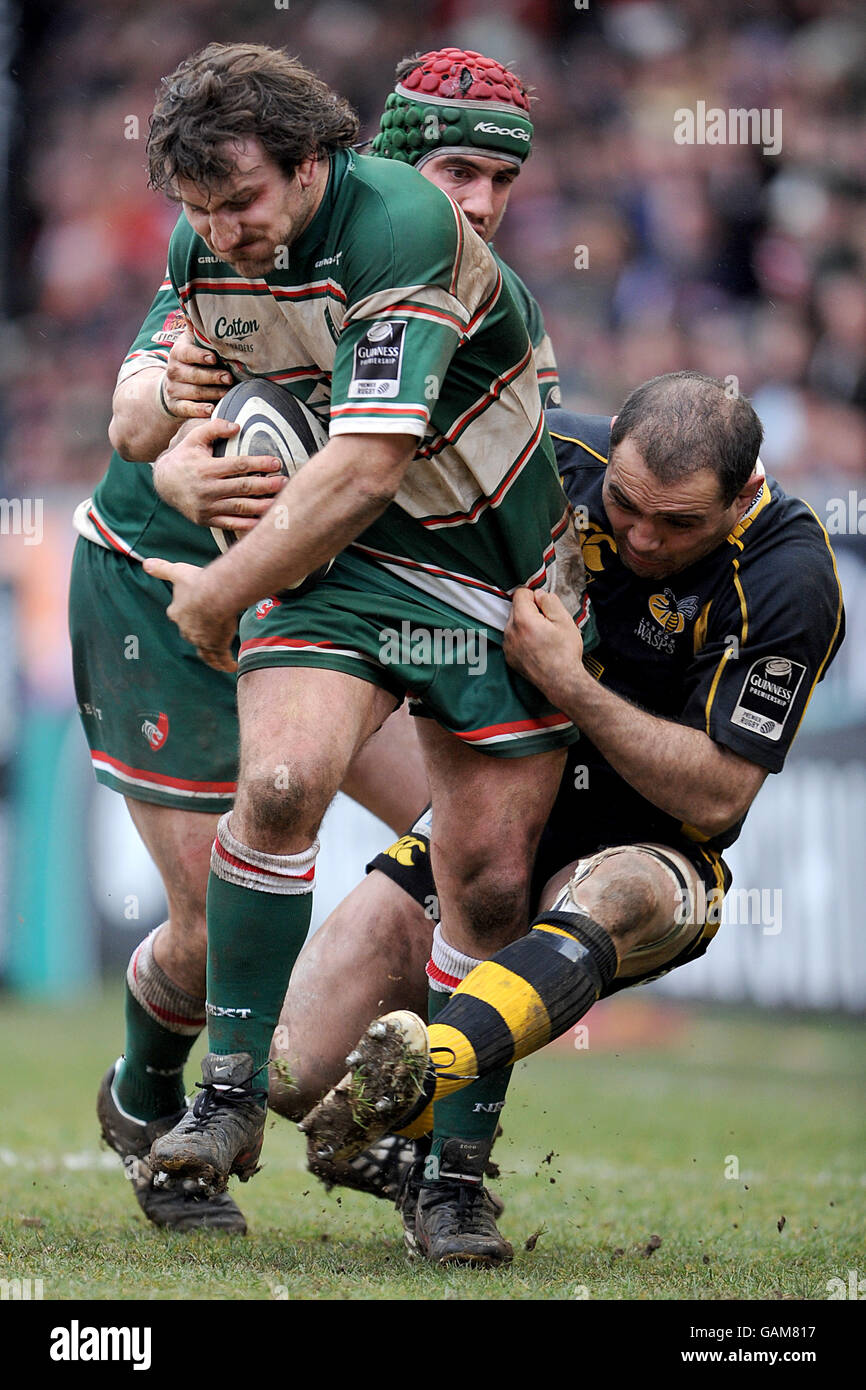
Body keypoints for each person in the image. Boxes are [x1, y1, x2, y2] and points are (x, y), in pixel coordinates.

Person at [72, 43, 563, 1235]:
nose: (481, 202)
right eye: (458, 169)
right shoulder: (234, 229)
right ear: (374, 155)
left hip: (326, 568)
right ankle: (161, 1099)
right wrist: (180, 449)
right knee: (212, 913)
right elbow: (141, 418)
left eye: (503, 180)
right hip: (164, 587)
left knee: (475, 867)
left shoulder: (414, 249)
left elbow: (383, 462)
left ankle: (384, 1112)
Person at [299, 370, 846, 1265]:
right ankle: (415, 1152)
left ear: (743, 495)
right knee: (300, 1073)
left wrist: (570, 683)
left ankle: (445, 1146)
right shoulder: (546, 457)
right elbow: (369, 470)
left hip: (661, 852)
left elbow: (718, 793)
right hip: (508, 802)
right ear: (610, 449)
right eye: (627, 506)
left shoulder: (791, 573)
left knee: (623, 892)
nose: (640, 537)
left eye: (679, 526)